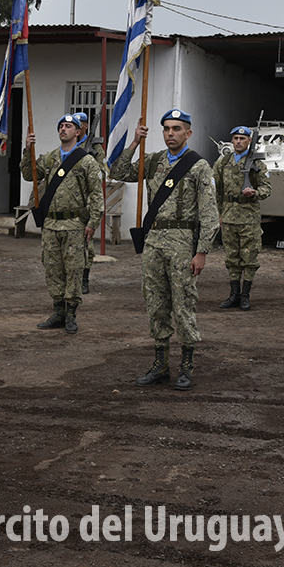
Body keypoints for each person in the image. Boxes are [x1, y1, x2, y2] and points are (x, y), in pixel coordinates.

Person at [110, 109, 219, 391]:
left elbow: (209, 213)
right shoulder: (154, 160)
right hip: (154, 240)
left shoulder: (198, 166)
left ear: (188, 133)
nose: (171, 133)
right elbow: (118, 172)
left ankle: (186, 367)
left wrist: (202, 251)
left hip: (183, 241)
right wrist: (134, 142)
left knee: (183, 303)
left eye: (177, 129)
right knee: (156, 303)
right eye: (167, 129)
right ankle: (160, 365)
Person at [21, 115, 104, 334]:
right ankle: (58, 311)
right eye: (61, 126)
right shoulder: (49, 158)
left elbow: (96, 195)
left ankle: (71, 314)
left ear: (78, 132)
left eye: (68, 126)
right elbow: (29, 174)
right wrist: (27, 150)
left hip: (75, 224)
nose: (63, 129)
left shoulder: (86, 161)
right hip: (51, 224)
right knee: (53, 268)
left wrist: (93, 223)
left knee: (74, 269)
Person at [213, 125, 272, 310]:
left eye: (242, 138)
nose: (238, 141)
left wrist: (254, 192)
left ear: (249, 142)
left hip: (249, 217)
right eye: (236, 138)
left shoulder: (257, 164)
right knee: (232, 258)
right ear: (232, 140)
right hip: (229, 216)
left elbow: (267, 188)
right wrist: (219, 214)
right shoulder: (222, 163)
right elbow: (217, 191)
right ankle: (233, 295)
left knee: (249, 258)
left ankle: (245, 295)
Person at [72, 111, 108, 294]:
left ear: (85, 126)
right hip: (71, 199)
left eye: (80, 124)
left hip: (86, 201)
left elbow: (102, 171)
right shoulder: (69, 145)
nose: (77, 128)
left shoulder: (95, 147)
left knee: (86, 243)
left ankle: (84, 279)